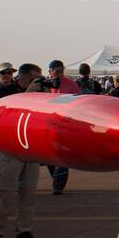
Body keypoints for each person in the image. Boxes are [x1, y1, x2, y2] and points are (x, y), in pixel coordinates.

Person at [0, 63, 44, 238]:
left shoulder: (38, 94)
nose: (39, 83)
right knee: (5, 191)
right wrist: (27, 93)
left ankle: (24, 230)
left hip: (31, 148)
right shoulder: (5, 91)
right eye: (36, 79)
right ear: (25, 78)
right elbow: (0, 110)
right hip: (10, 148)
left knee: (29, 193)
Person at [42, 59, 75, 194]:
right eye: (56, 70)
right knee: (50, 155)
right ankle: (56, 179)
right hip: (48, 123)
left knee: (62, 155)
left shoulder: (70, 84)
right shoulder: (44, 84)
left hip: (65, 124)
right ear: (50, 72)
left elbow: (79, 99)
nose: (59, 73)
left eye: (61, 70)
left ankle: (58, 186)